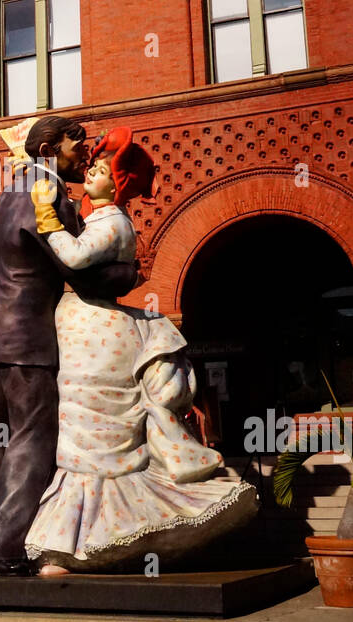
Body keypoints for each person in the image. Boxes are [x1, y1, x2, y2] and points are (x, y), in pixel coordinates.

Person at [26, 125, 258, 574]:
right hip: (84, 329)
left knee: (91, 437)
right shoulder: (98, 216)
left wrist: (49, 220)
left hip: (96, 335)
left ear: (118, 185)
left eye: (98, 170)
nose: (89, 171)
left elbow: (73, 258)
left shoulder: (113, 222)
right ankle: (78, 541)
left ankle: (87, 542)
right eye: (91, 166)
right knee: (83, 435)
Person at [0, 115, 139, 576]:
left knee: (6, 443)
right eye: (74, 144)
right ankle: (3, 549)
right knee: (33, 438)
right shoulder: (45, 193)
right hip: (24, 335)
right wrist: (127, 274)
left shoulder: (15, 189)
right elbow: (76, 269)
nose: (81, 155)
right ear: (48, 148)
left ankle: (10, 543)